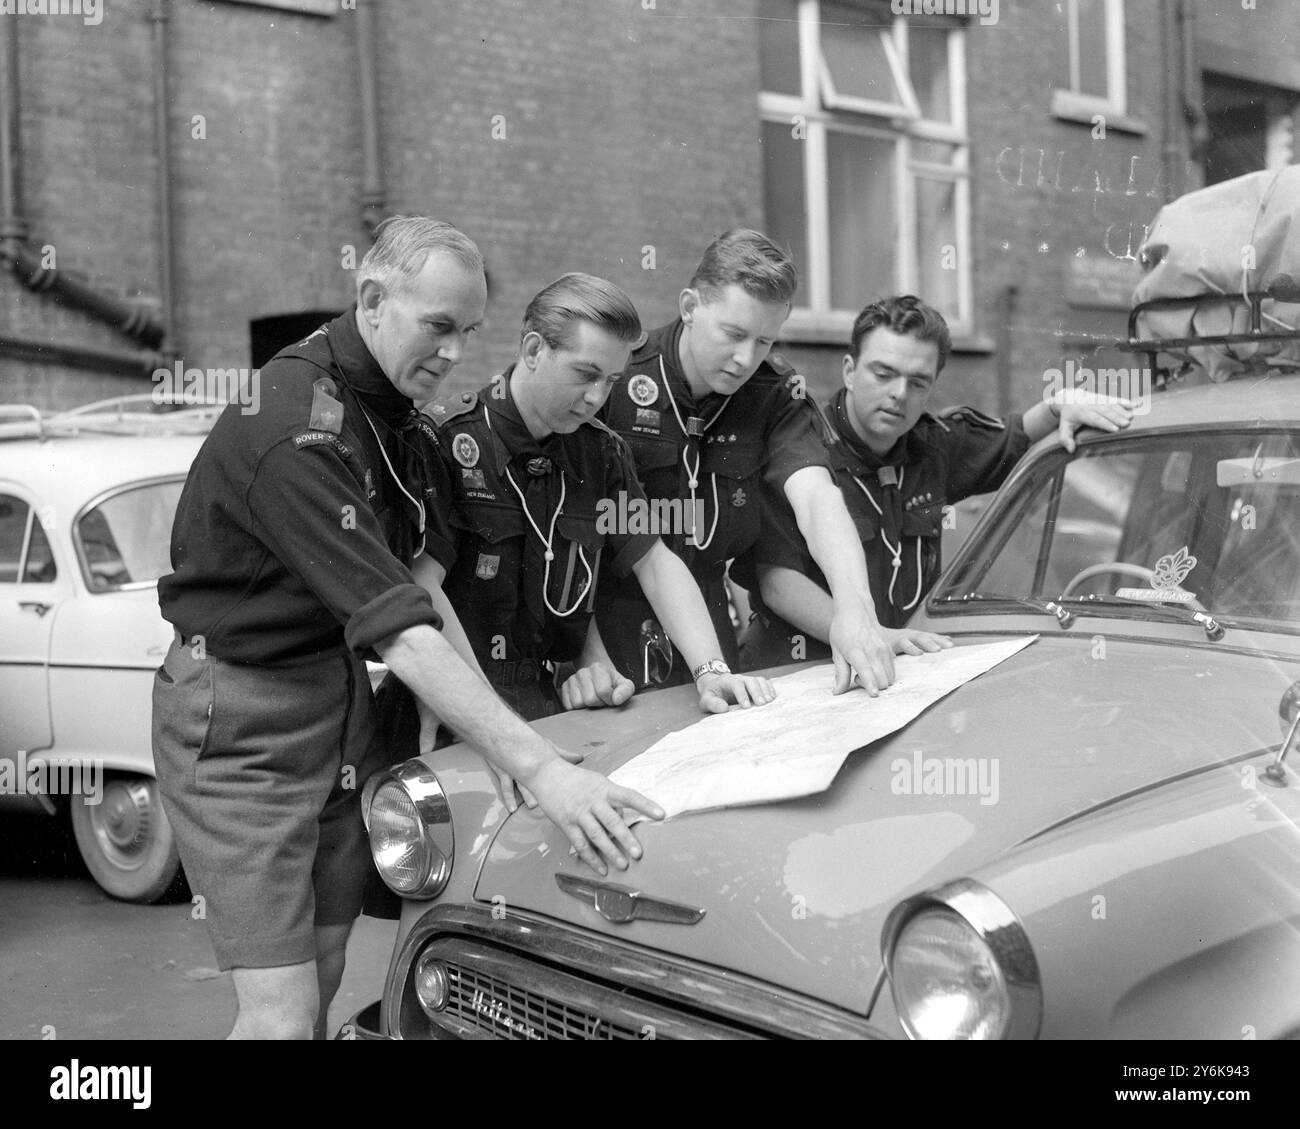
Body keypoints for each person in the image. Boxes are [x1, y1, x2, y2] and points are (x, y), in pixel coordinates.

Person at [151, 217, 662, 1041]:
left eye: (469, 331)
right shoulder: (295, 424)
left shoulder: (399, 414)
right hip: (241, 718)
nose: (456, 352)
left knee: (321, 975)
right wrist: (540, 767)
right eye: (438, 326)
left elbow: (425, 590)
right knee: (279, 1015)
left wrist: (499, 732)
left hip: (338, 701)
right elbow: (401, 630)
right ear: (373, 298)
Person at [409, 272, 775, 735]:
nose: (596, 398)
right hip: (453, 707)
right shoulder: (447, 441)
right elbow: (423, 586)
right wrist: (483, 717)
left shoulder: (601, 453)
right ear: (534, 351)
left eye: (611, 380)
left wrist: (710, 670)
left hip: (550, 706)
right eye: (585, 375)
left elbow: (655, 562)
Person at [593, 228, 916, 699]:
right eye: (733, 334)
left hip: (711, 636)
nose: (746, 358)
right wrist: (583, 658)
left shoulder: (774, 395)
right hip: (610, 636)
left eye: (765, 341)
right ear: (689, 307)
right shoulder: (620, 377)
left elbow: (816, 496)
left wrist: (854, 608)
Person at [737, 294, 1136, 667]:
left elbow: (1015, 436)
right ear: (850, 371)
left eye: (917, 382)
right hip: (793, 671)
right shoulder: (799, 449)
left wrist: (1060, 404)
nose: (898, 393)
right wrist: (868, 634)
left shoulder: (935, 446)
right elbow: (777, 581)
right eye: (883, 373)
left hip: (894, 671)